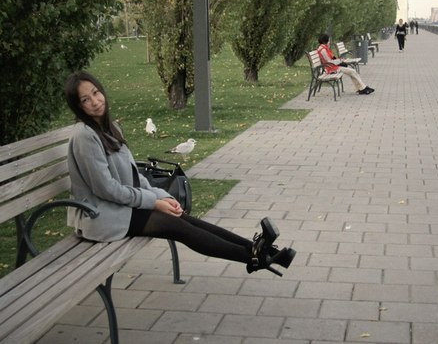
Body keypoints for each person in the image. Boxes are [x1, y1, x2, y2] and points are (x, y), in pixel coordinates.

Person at [64, 71, 295, 276]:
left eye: (95, 93)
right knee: (178, 227)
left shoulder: (109, 127)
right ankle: (255, 256)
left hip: (121, 207)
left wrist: (161, 196)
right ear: (78, 107)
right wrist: (154, 202)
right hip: (103, 216)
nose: (95, 101)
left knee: (183, 218)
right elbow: (106, 189)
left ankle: (261, 252)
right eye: (85, 100)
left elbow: (133, 175)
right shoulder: (85, 136)